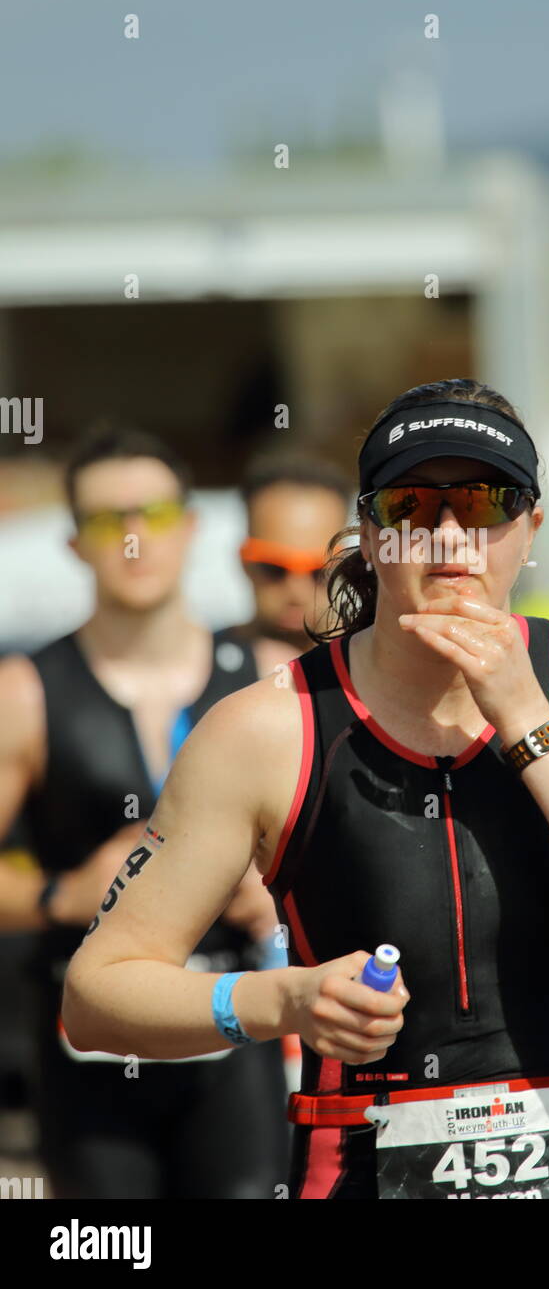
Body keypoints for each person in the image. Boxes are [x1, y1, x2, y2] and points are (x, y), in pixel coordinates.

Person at [63, 378, 549, 1201]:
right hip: (360, 1172)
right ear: (369, 537)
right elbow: (95, 996)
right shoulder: (269, 728)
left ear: (531, 532)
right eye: (413, 505)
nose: (451, 538)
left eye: (487, 502)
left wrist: (524, 717)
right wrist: (282, 999)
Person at [0, 425, 290, 1198]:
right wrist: (65, 894)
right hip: (89, 1049)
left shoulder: (264, 678)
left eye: (154, 515)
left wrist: (271, 889)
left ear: (191, 527)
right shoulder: (26, 693)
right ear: (74, 544)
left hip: (235, 1028)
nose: (135, 539)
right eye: (108, 520)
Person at [224, 452, 354, 677]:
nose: (297, 591)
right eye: (275, 569)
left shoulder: (377, 667)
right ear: (244, 561)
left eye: (318, 570)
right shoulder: (199, 668)